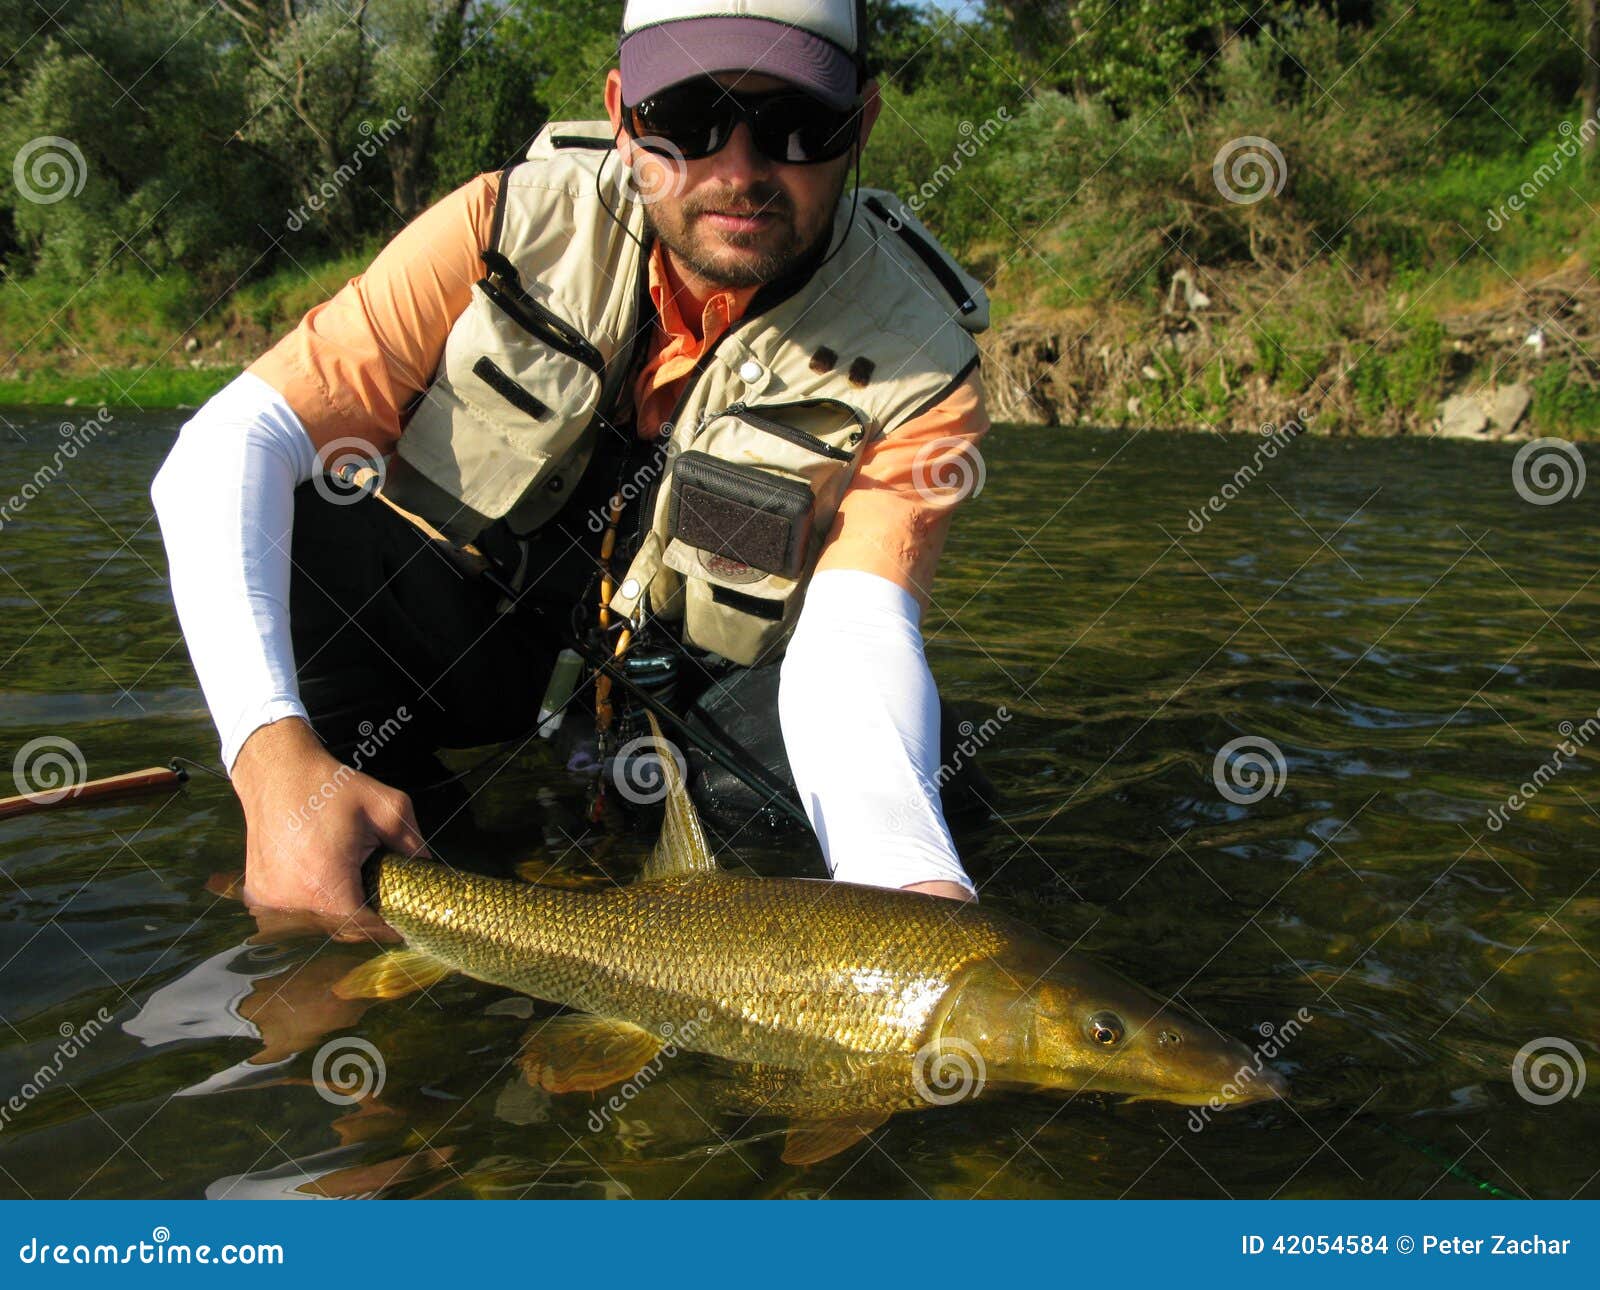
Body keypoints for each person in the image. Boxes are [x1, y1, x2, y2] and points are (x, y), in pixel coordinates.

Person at [151, 0, 992, 938]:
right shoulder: (503, 220)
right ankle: (347, 859)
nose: (741, 170)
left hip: (684, 694)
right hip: (467, 641)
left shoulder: (920, 360)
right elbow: (224, 447)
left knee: (911, 785)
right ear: (624, 117)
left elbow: (856, 632)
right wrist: (270, 755)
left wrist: (902, 876)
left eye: (800, 126)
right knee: (295, 540)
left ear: (862, 125)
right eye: (688, 122)